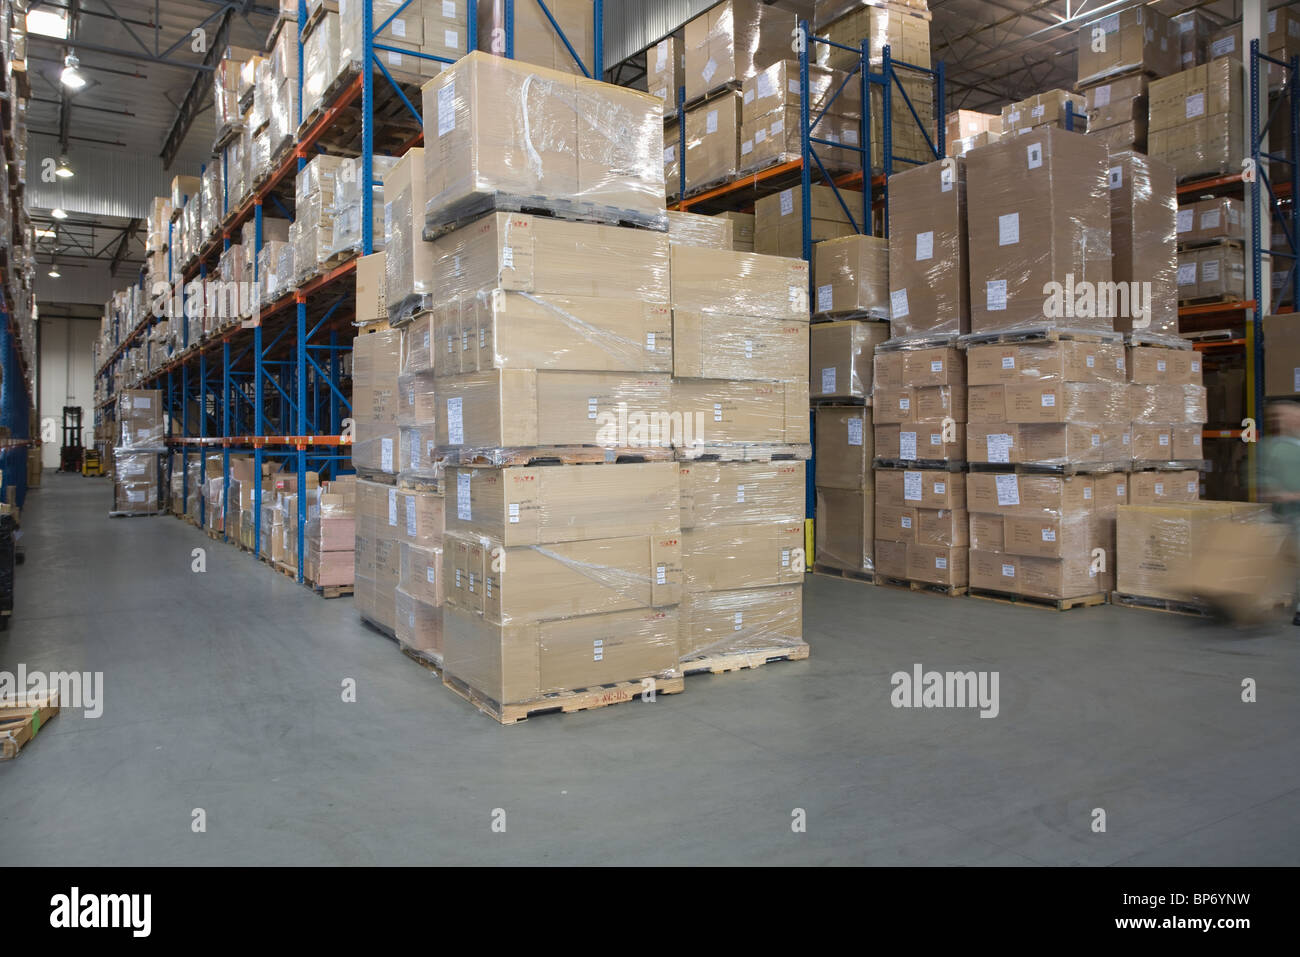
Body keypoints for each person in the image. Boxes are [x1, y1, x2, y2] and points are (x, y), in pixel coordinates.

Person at [1259, 400, 1300, 625]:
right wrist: (1280, 493)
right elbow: (1264, 483)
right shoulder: (1272, 447)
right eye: (1281, 416)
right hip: (1285, 515)